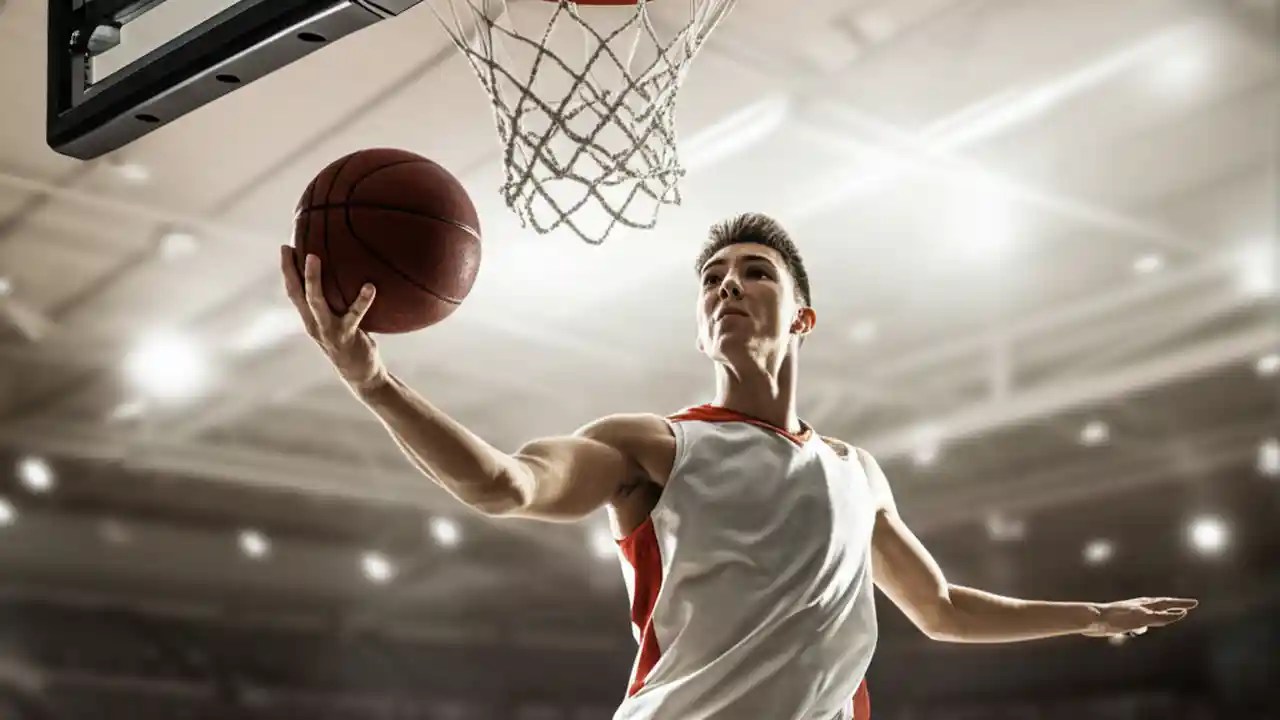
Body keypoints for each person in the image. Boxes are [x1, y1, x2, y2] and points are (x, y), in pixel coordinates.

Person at [279, 213, 1197, 720]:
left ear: (800, 315)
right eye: (712, 277)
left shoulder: (856, 470)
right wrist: (376, 383)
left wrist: (1095, 617)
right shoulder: (653, 446)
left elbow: (944, 611)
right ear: (699, 323)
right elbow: (504, 485)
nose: (727, 284)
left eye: (753, 271)